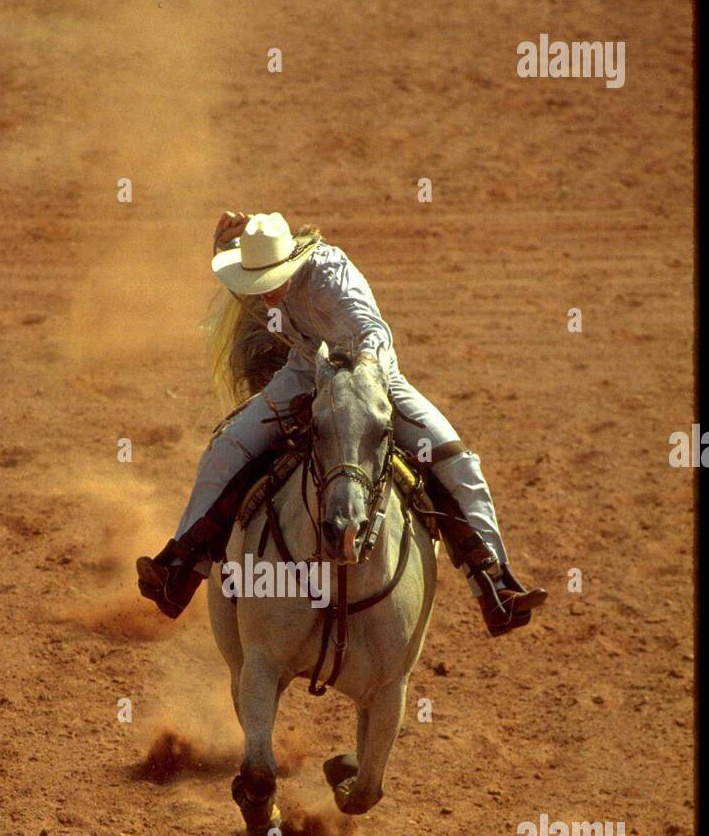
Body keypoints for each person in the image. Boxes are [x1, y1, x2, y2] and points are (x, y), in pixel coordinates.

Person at [137, 211, 547, 636]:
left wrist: (342, 392)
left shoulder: (331, 275)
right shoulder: (264, 272)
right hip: (303, 371)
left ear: (291, 264)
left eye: (268, 282)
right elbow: (242, 273)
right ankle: (181, 566)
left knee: (456, 460)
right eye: (254, 282)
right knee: (229, 446)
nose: (264, 296)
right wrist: (223, 243)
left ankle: (494, 584)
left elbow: (375, 336)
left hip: (369, 378)